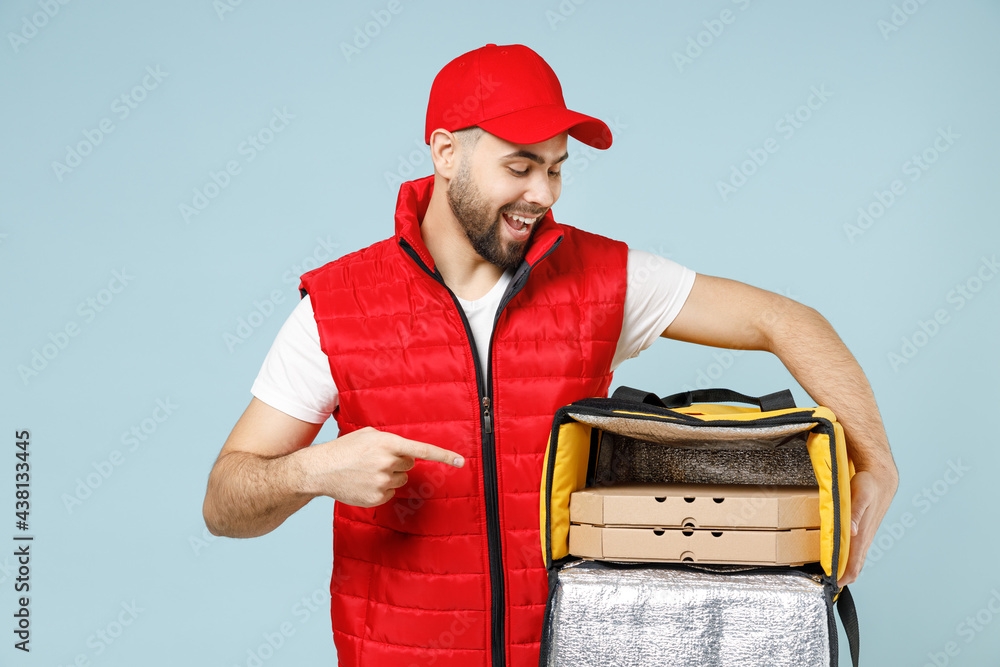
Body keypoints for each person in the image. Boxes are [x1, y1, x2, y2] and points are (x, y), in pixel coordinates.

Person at [202, 43, 898, 667]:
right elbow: (225, 502)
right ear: (446, 154)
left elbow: (786, 320)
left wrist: (877, 462)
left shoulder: (602, 280)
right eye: (520, 166)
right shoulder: (338, 303)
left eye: (557, 169)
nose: (544, 194)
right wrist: (315, 469)